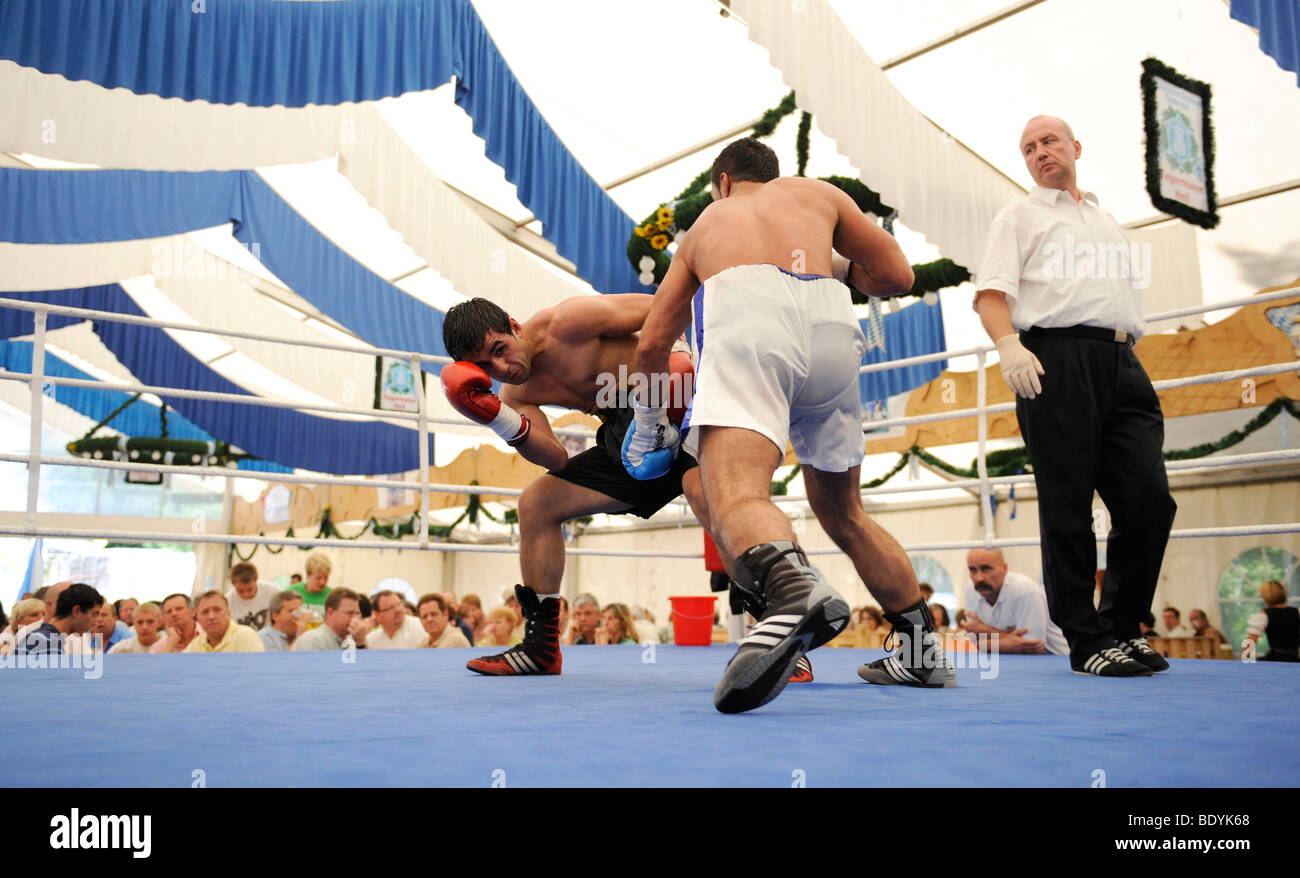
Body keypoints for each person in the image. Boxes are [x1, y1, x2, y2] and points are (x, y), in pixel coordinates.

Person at [630, 136, 953, 712]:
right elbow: (898, 275)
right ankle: (923, 651)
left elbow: (654, 340)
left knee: (731, 493)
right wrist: (835, 266)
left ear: (723, 183)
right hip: (832, 326)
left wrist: (650, 421)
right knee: (845, 513)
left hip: (751, 322)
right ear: (773, 175)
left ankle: (792, 590)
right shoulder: (818, 196)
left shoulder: (709, 222)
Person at [973, 115, 1175, 677]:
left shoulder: (1106, 220)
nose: (1040, 152)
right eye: (1029, 147)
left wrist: (1122, 355)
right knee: (1067, 504)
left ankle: (1123, 624)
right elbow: (990, 295)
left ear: (1075, 147)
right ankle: (1085, 640)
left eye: (1049, 141)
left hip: (1121, 360)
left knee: (1148, 500)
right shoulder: (1018, 215)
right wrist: (1010, 347)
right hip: (1054, 359)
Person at [440, 290, 721, 679]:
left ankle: (781, 630)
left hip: (680, 406)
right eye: (485, 366)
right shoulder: (516, 394)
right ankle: (541, 648)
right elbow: (555, 457)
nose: (502, 368)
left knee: (706, 494)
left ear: (515, 327)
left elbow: (667, 307)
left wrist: (673, 369)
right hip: (626, 437)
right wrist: (499, 420)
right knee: (537, 503)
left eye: (500, 349)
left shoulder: (570, 321)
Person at [963, 548, 1069, 655]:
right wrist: (1008, 640)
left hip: (1056, 659)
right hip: (1007, 660)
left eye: (986, 569)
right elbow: (976, 643)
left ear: (1004, 568)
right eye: (972, 570)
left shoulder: (1025, 591)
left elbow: (1031, 647)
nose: (979, 578)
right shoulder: (971, 590)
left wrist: (985, 630)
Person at [22, 583, 103, 656]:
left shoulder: (41, 636)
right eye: (94, 614)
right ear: (76, 611)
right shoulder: (49, 643)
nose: (95, 622)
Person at [184, 592, 265, 653]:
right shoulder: (196, 645)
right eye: (205, 612)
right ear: (198, 618)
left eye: (217, 610)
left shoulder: (246, 636)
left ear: (229, 613)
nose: (211, 617)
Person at [293, 588, 366, 651]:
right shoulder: (314, 640)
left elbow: (367, 666)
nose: (355, 619)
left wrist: (360, 643)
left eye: (357, 613)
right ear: (330, 612)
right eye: (350, 613)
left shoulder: (352, 640)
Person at [1246, 580, 1299, 662]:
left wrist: (1245, 658)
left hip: (1275, 660)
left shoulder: (1264, 614)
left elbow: (1252, 639)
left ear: (1265, 596)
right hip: (1295, 660)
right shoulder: (1297, 612)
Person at [226, 562, 278, 631]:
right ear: (233, 584)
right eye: (240, 591)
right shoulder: (228, 601)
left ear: (256, 580)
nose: (245, 594)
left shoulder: (272, 591)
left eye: (249, 589)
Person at [290, 553, 333, 627]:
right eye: (318, 578)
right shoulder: (292, 592)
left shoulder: (332, 595)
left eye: (326, 577)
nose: (322, 582)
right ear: (308, 576)